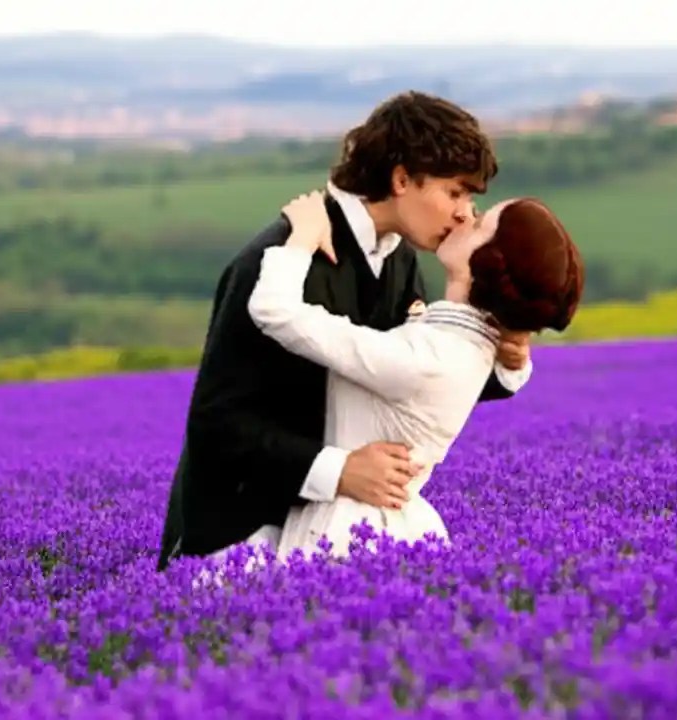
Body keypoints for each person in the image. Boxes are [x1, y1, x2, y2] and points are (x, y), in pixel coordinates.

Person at [156, 91, 533, 569]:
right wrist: (340, 472)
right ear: (401, 179)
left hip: (335, 528)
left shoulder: (398, 259)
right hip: (239, 535)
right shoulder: (279, 260)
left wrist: (505, 361)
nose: (464, 213)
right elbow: (218, 425)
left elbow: (412, 379)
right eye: (455, 192)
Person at [248, 190, 583, 559]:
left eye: (480, 222)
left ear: (488, 262)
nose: (464, 216)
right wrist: (512, 356)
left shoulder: (427, 358)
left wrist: (302, 236)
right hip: (392, 531)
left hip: (347, 538)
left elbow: (274, 311)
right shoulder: (472, 346)